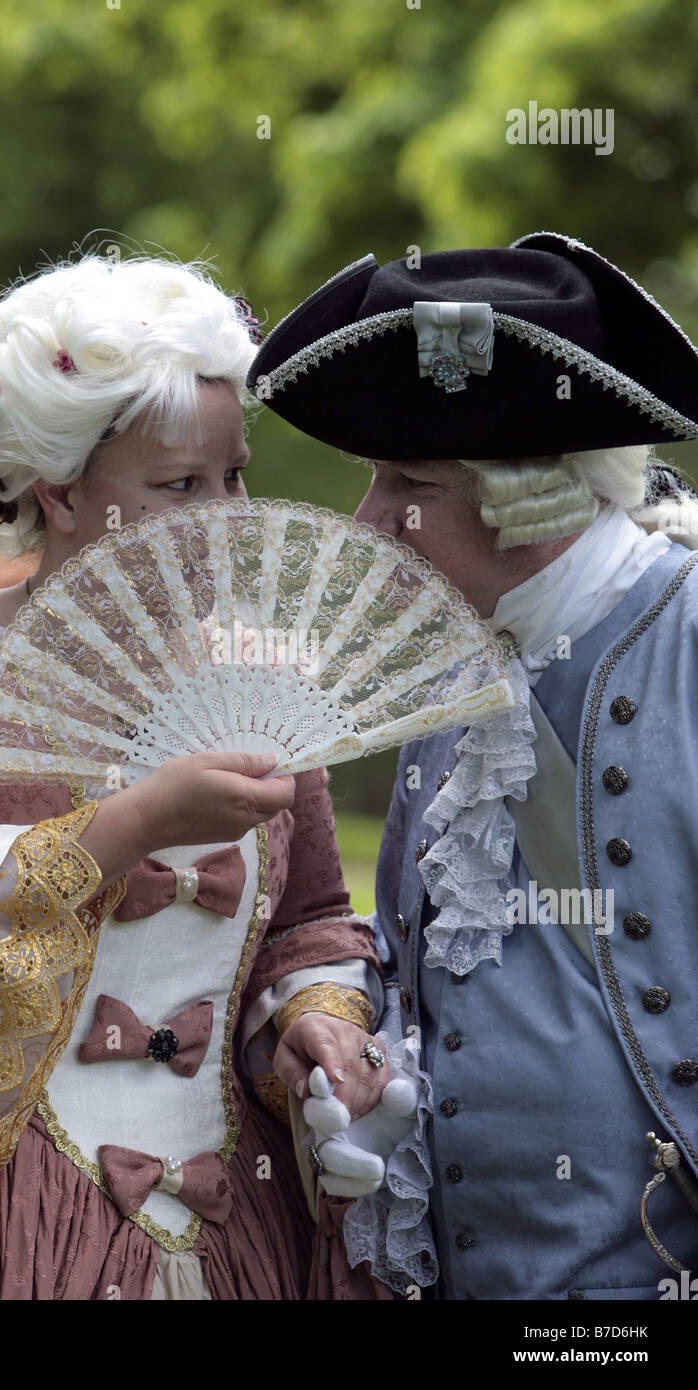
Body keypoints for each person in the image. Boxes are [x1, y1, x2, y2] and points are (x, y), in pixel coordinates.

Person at [0, 251, 392, 1300]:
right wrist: (129, 824)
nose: (228, 512)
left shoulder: (260, 675)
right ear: (61, 491)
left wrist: (316, 1017)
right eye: (179, 484)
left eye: (234, 474)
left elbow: (311, 916)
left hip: (234, 1220)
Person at [249, 231, 698, 1299]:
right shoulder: (452, 670)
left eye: (408, 482)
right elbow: (420, 968)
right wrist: (353, 1045)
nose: (366, 524)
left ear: (531, 497)